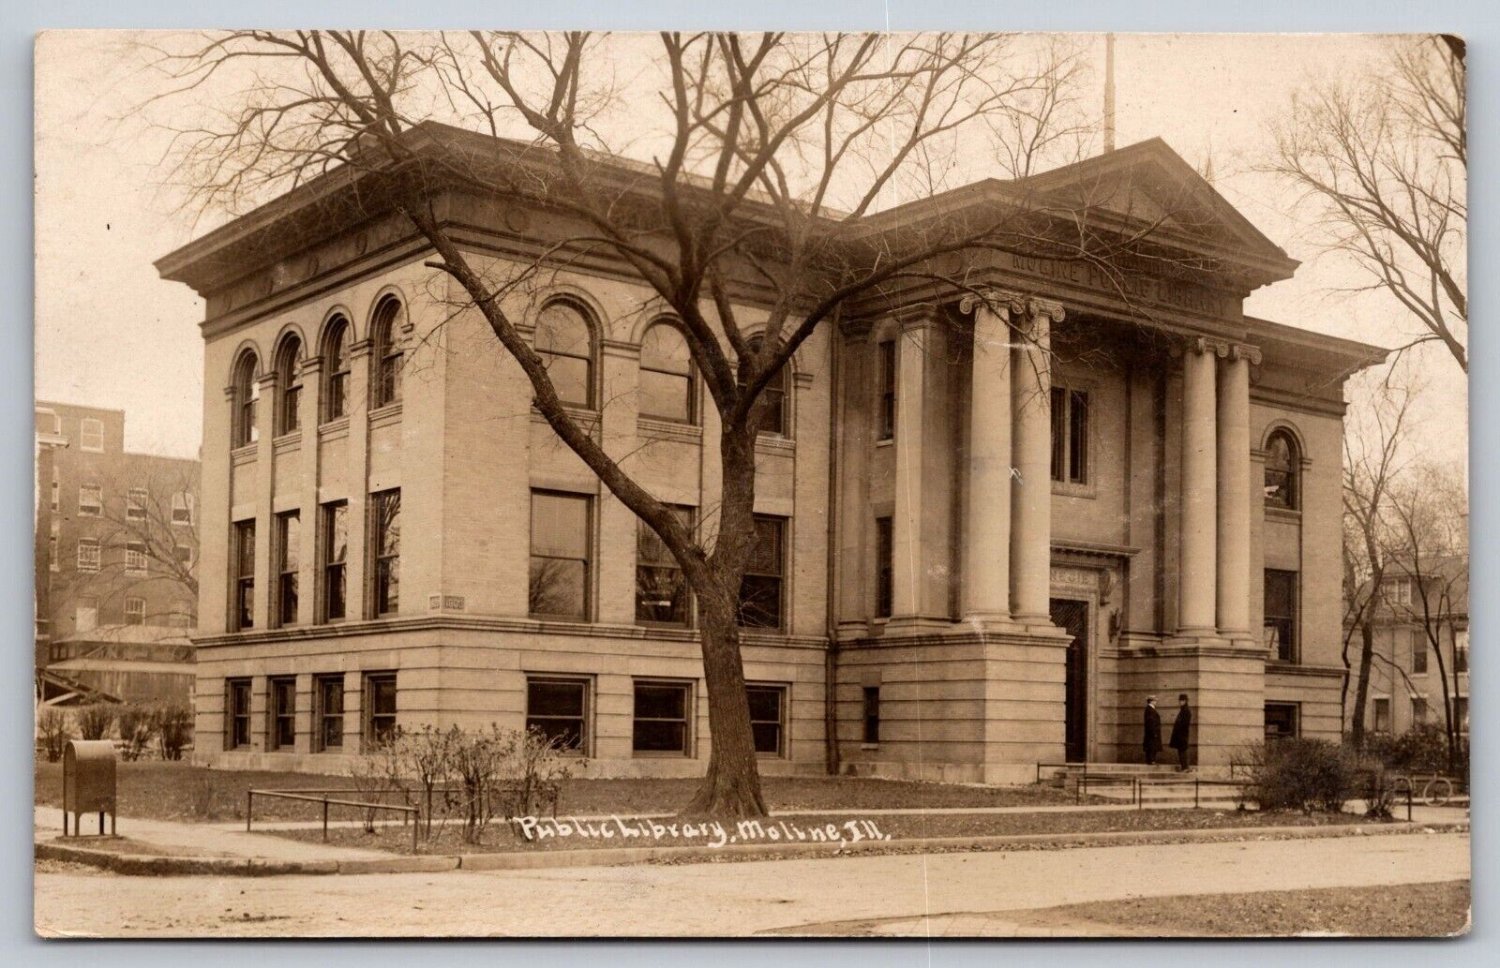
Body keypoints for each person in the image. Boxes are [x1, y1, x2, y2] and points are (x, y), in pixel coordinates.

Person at [1170, 693, 1193, 771]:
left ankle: (1185, 767)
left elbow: (1184, 723)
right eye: (1180, 701)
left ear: (1185, 701)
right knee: (1181, 750)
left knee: (1183, 751)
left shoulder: (1186, 711)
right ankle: (1184, 767)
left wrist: (1180, 732)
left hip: (1182, 735)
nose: (1180, 702)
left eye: (1182, 701)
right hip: (1181, 735)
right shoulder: (1183, 710)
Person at [1142, 696, 1162, 766]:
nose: (1156, 702)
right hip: (1152, 732)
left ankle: (1151, 760)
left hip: (1151, 732)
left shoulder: (1149, 709)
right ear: (1151, 701)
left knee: (1151, 746)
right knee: (1152, 746)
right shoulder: (1150, 709)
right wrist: (1154, 732)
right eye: (1155, 700)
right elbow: (1151, 722)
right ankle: (1151, 760)